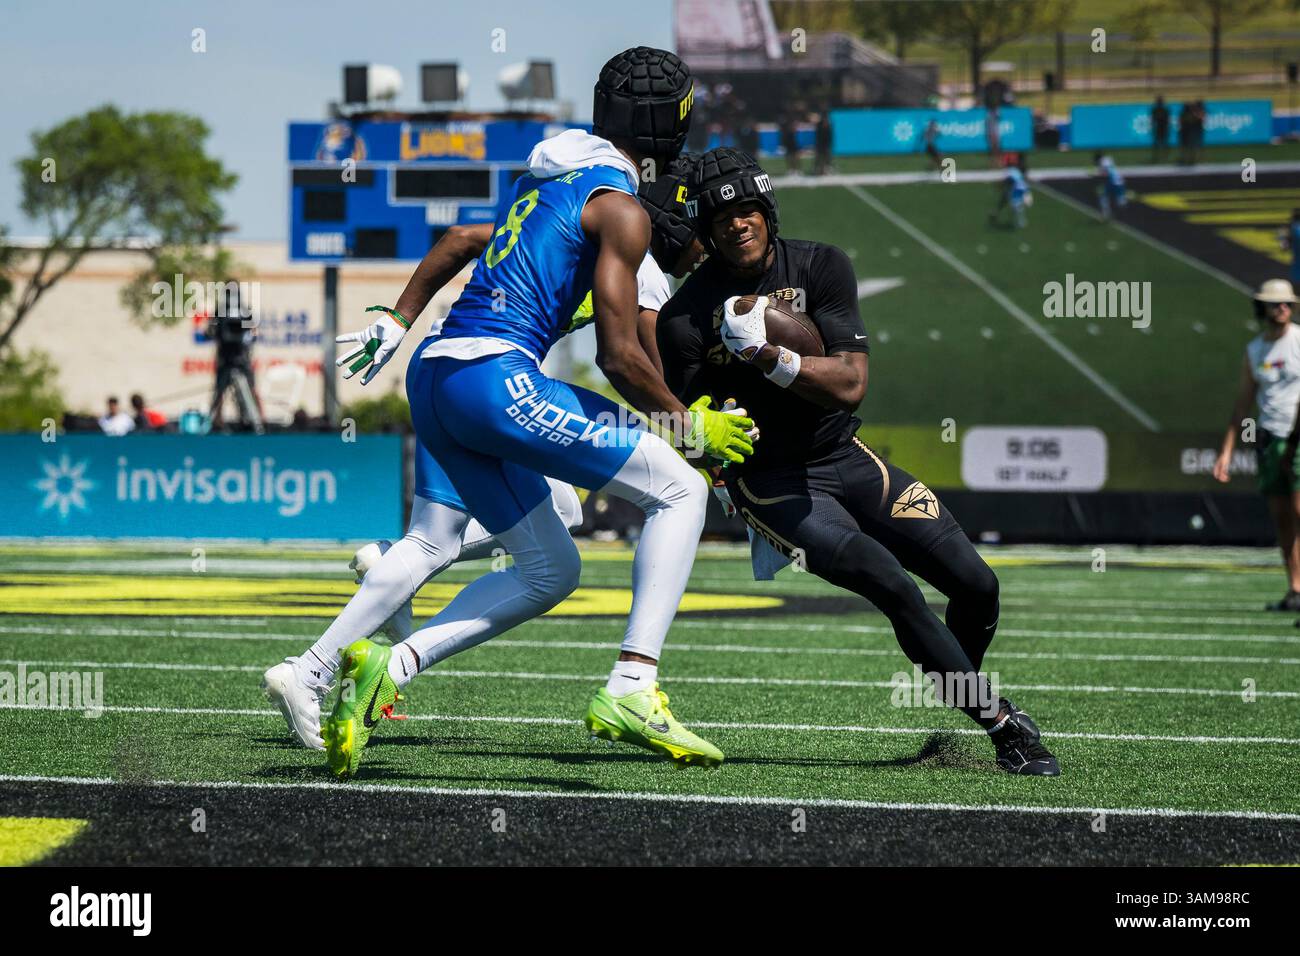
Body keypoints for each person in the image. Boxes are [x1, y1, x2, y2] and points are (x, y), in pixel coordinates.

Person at [280, 47, 755, 780]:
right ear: (669, 133)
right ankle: (632, 686)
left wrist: (397, 320)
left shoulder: (550, 183)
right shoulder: (621, 211)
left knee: (549, 565)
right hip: (495, 379)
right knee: (679, 489)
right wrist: (690, 429)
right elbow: (622, 358)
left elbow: (463, 239)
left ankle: (374, 667)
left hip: (437, 377)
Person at [657, 147, 1059, 775]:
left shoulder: (820, 265)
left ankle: (957, 684)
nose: (736, 223)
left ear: (766, 209)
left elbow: (849, 384)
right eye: (720, 217)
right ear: (706, 231)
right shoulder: (685, 317)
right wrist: (712, 465)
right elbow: (682, 422)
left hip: (846, 455)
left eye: (746, 209)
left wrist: (768, 357)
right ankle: (1002, 725)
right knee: (890, 583)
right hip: (772, 484)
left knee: (977, 584)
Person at [1213, 279, 1300, 611]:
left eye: (1288, 304)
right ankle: (1295, 588)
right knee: (1281, 517)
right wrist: (1227, 450)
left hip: (1298, 437)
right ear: (1262, 307)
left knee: (1298, 510)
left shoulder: (1299, 341)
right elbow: (1243, 405)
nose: (1283, 308)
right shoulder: (1255, 350)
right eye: (1277, 304)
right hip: (1268, 437)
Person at [208, 285, 264, 434]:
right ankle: (216, 423)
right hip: (225, 359)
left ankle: (260, 423)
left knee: (251, 390)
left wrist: (245, 332)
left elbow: (253, 329)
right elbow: (211, 331)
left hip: (242, 358)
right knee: (219, 392)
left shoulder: (245, 311)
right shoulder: (220, 313)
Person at [989, 155, 1031, 229]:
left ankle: (1020, 222)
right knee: (1014, 203)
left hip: (1018, 189)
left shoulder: (1011, 171)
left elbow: (1009, 180)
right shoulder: (1014, 170)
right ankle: (1019, 221)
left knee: (1016, 205)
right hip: (1022, 188)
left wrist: (1000, 185)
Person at [1094, 151, 1126, 221]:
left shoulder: (1102, 163)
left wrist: (1096, 175)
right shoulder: (1108, 159)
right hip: (1119, 181)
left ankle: (1107, 214)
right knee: (1120, 201)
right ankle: (1115, 213)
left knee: (1103, 197)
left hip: (1112, 182)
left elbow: (1106, 173)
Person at [1151, 95, 1170, 162]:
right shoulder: (1155, 110)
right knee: (1157, 143)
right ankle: (1157, 156)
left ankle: (1164, 156)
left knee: (1164, 143)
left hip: (1163, 128)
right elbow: (1153, 120)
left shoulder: (1165, 110)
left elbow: (1168, 120)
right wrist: (1152, 127)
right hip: (1159, 128)